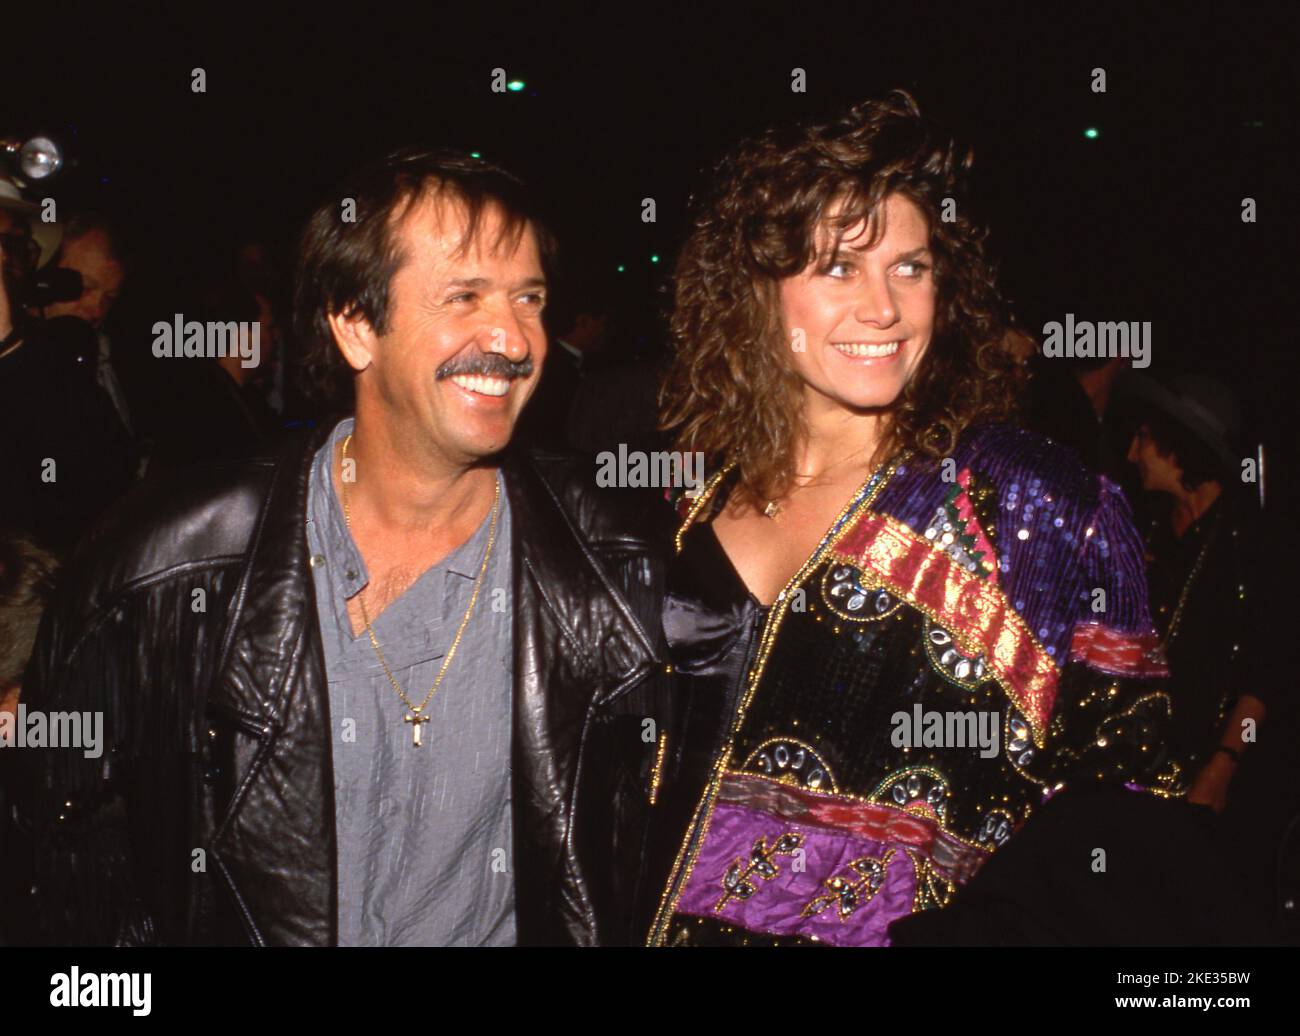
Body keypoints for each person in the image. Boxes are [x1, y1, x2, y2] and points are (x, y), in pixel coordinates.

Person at [4, 148, 669, 946]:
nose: (513, 338)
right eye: (465, 296)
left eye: (529, 298)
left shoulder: (615, 565)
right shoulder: (171, 562)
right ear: (356, 325)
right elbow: (74, 853)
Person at [639, 92, 1191, 947]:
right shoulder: (688, 500)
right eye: (837, 268)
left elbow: (1125, 807)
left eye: (911, 266)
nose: (884, 308)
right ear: (758, 292)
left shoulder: (1027, 501)